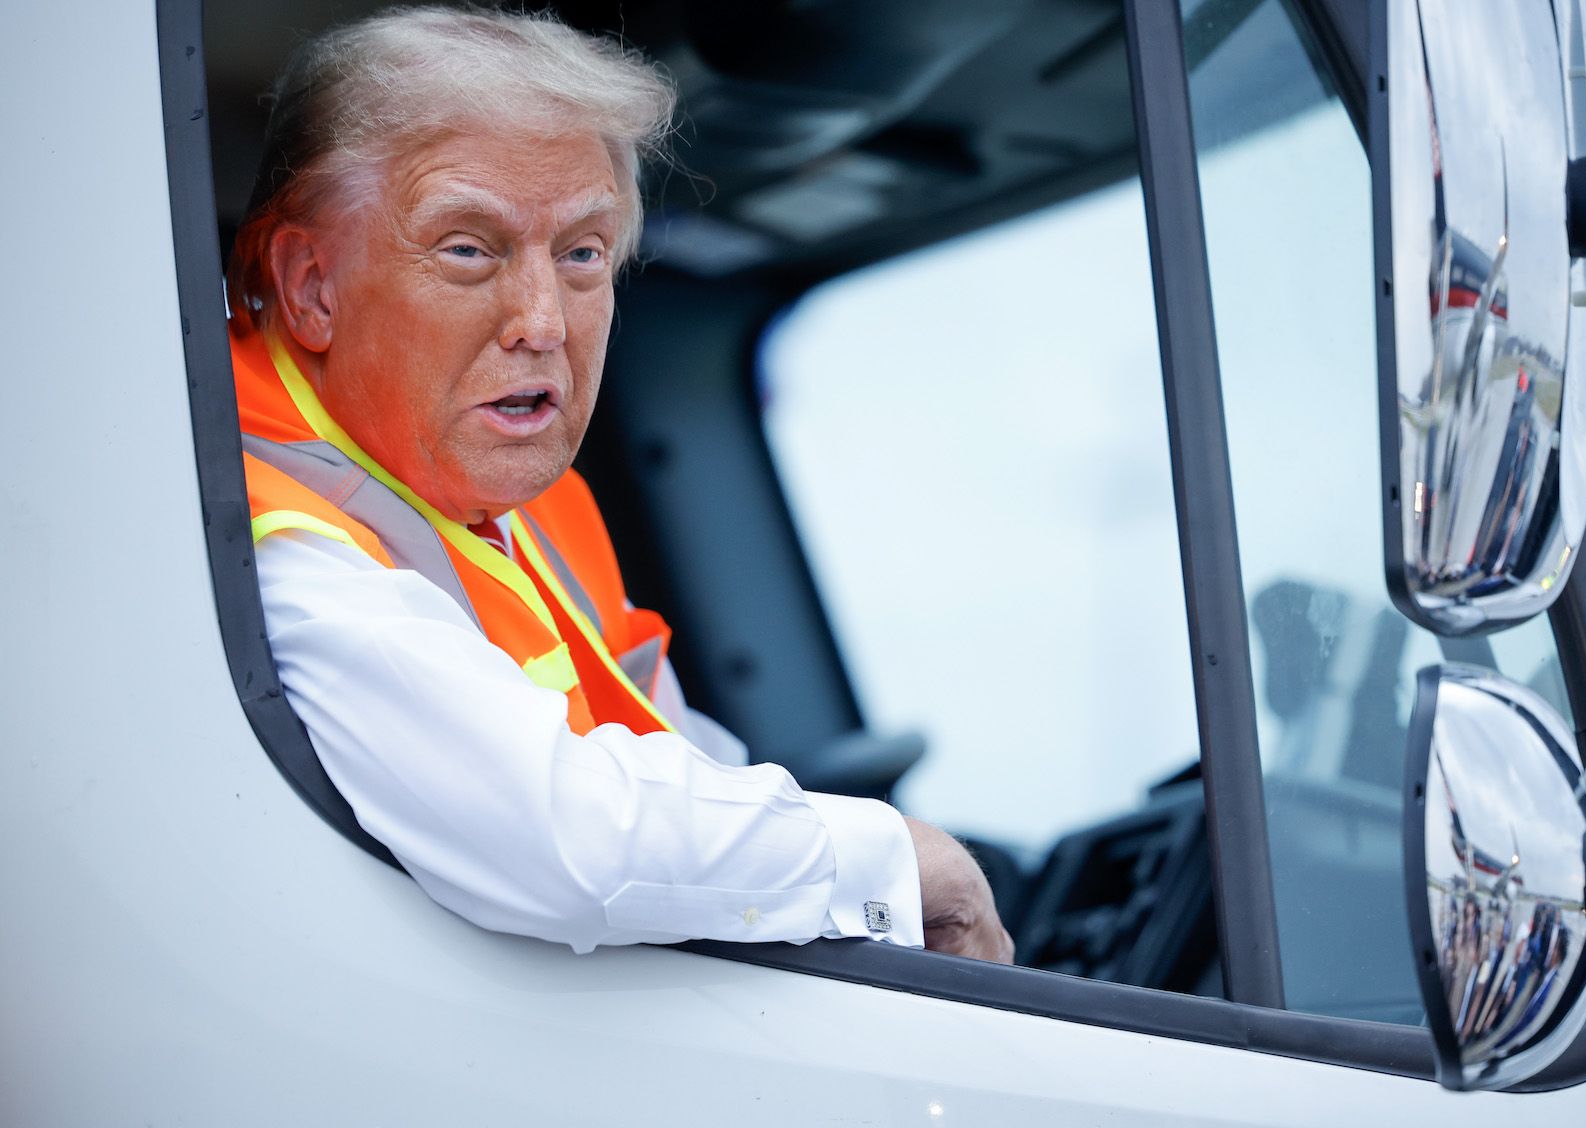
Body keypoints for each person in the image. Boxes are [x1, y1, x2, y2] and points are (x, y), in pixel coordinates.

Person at [224, 6, 1012, 963]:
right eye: (469, 248)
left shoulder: (526, 511)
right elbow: (569, 844)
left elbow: (674, 766)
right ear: (311, 286)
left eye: (583, 254)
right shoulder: (265, 541)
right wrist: (900, 863)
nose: (543, 321)